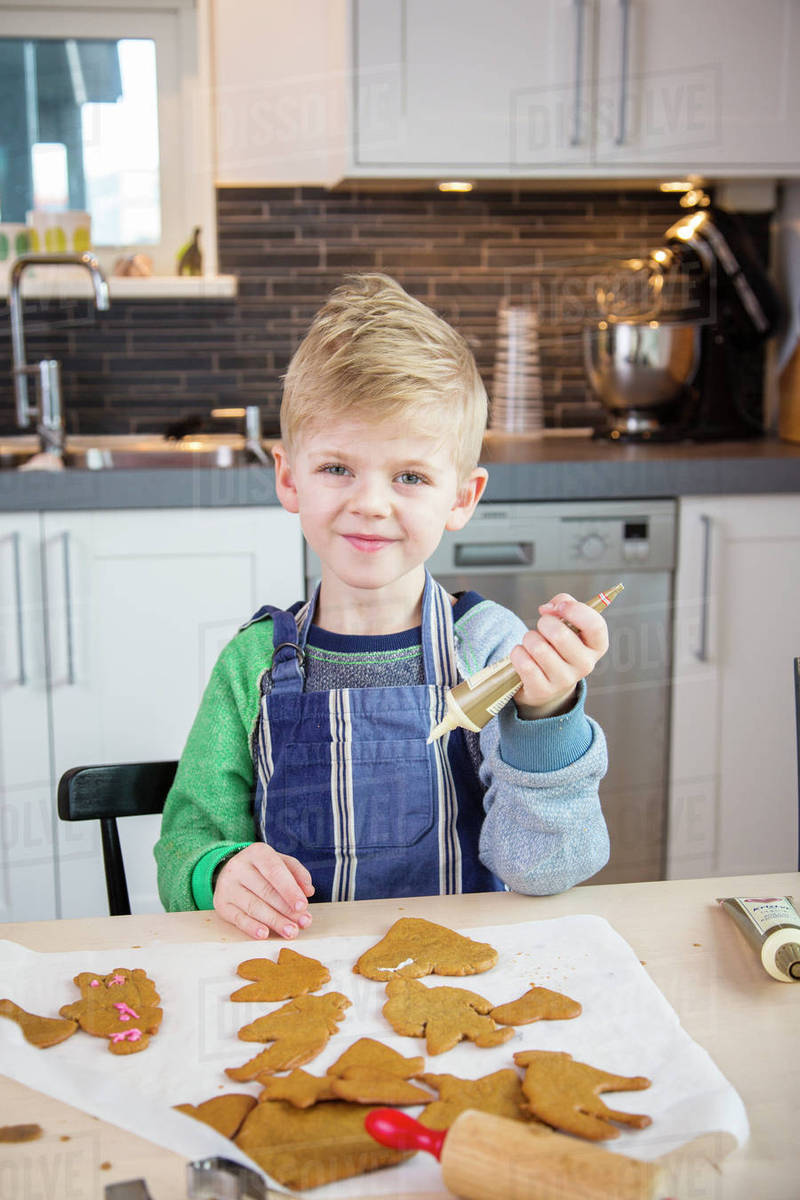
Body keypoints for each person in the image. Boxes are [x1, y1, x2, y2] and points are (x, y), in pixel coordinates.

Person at [155, 274, 611, 939]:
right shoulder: (250, 664)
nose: (371, 502)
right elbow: (183, 848)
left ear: (462, 496)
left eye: (410, 476)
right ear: (289, 478)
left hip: (459, 986)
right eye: (338, 467)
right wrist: (221, 871)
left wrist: (544, 718)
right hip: (300, 983)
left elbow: (545, 868)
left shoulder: (491, 652)